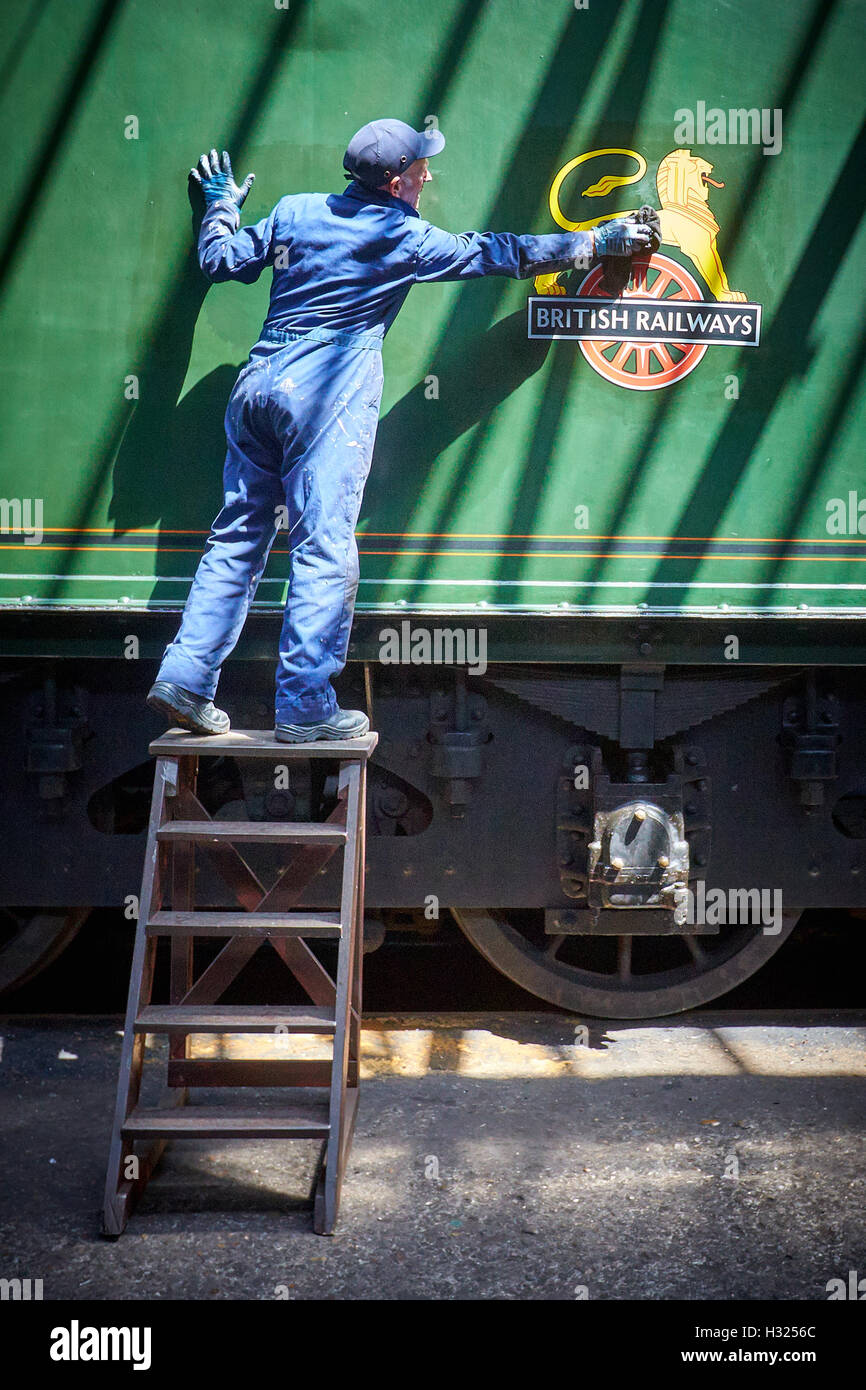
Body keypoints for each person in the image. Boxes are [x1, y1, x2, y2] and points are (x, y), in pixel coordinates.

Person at [147, 119, 653, 742]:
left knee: (238, 537)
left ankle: (186, 675)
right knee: (324, 544)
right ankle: (304, 706)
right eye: (421, 170)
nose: (429, 177)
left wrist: (222, 207)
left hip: (257, 386)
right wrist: (601, 240)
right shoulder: (402, 236)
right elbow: (504, 253)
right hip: (325, 394)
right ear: (395, 182)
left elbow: (221, 261)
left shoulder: (294, 211)